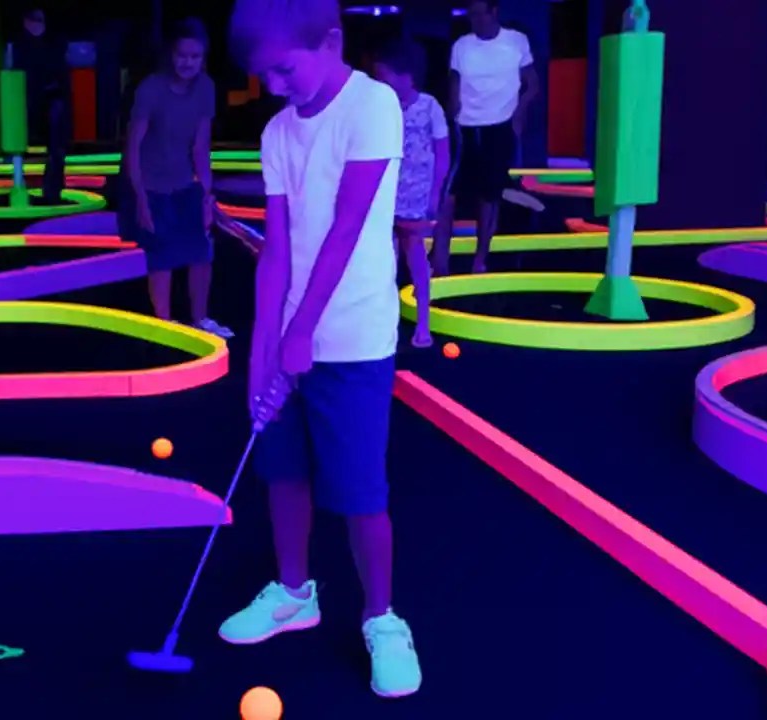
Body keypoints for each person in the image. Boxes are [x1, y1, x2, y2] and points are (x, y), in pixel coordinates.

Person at [223, 0, 421, 699]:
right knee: (283, 470)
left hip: (354, 339)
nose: (275, 86)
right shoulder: (277, 132)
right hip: (288, 337)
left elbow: (345, 228)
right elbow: (275, 249)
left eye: (284, 68)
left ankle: (382, 617)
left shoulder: (373, 108)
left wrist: (302, 333)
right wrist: (263, 354)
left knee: (361, 491)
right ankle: (293, 592)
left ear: (330, 41)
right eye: (262, 76)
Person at [123, 18, 233, 338]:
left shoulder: (206, 88)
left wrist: (207, 195)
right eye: (182, 55)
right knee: (162, 256)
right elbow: (133, 147)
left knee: (201, 250)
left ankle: (200, 319)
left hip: (186, 183)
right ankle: (166, 325)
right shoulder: (151, 90)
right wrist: (140, 199)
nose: (188, 63)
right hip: (152, 185)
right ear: (171, 55)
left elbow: (201, 146)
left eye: (195, 57)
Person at [432, 0, 539, 275]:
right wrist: (451, 108)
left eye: (481, 14)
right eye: (471, 15)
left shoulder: (516, 41)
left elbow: (532, 83)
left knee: (488, 196)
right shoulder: (462, 46)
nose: (476, 20)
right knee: (448, 193)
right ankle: (440, 260)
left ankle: (481, 259)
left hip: (500, 125)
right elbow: (454, 82)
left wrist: (520, 111)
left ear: (494, 12)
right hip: (464, 127)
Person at [372, 37, 450, 349]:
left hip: (415, 194)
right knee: (384, 257)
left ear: (407, 75)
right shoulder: (381, 107)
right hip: (385, 192)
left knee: (414, 251)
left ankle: (423, 321)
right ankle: (385, 320)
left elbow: (442, 155)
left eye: (386, 75)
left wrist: (435, 193)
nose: (382, 81)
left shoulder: (430, 107)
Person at [13, 7, 69, 204]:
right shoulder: (20, 47)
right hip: (29, 102)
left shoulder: (54, 45)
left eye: (39, 20)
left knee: (57, 147)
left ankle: (52, 190)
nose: (37, 24)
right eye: (33, 19)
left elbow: (60, 77)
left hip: (52, 100)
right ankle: (29, 188)